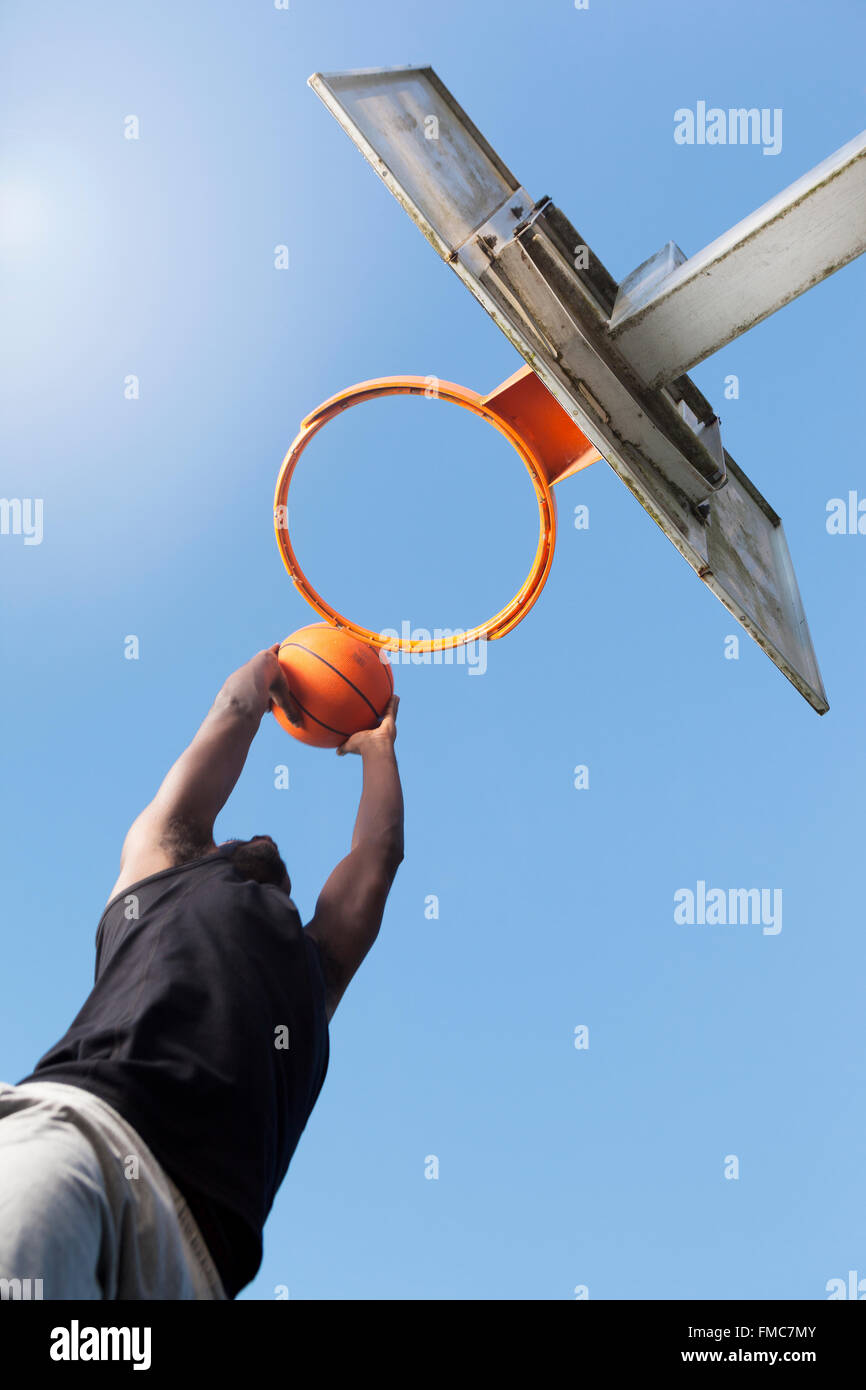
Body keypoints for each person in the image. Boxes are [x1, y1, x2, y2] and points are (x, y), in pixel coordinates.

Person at [0, 644, 404, 1299]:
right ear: (213, 848)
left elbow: (379, 854)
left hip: (197, 1269)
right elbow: (235, 709)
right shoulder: (163, 869)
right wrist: (275, 664)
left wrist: (377, 746)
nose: (269, 842)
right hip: (86, 1144)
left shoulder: (315, 973)